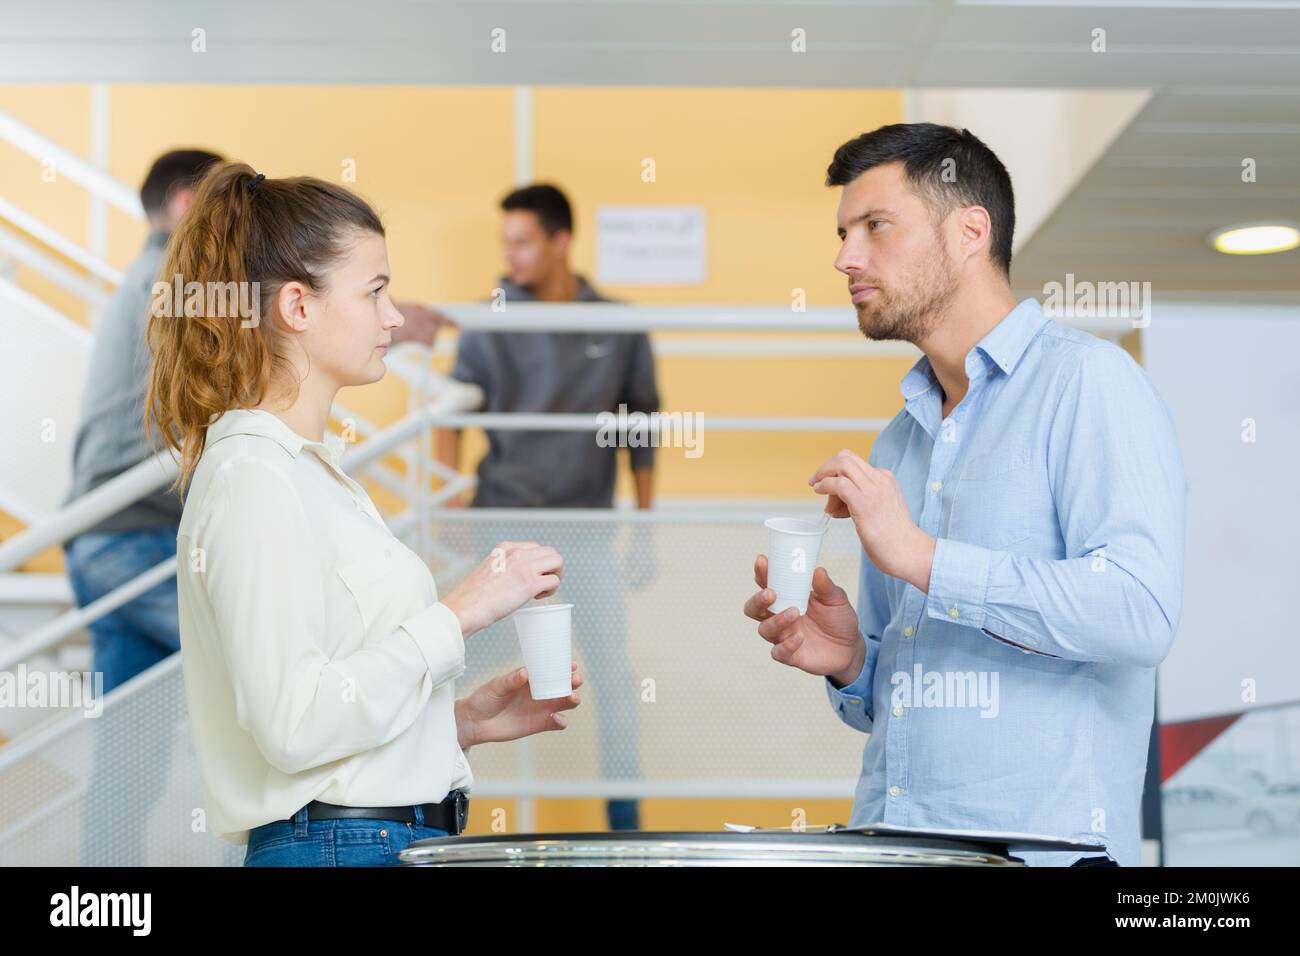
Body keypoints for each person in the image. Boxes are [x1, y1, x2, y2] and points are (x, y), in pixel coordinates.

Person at [743, 123, 1186, 867]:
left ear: (970, 231)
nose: (845, 257)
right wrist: (852, 659)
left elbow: (1140, 614)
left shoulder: (1088, 383)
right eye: (844, 233)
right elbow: (906, 706)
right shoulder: (900, 440)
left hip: (1046, 857)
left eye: (874, 227)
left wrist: (923, 557)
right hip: (897, 848)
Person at [145, 161, 581, 866]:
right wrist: (460, 612)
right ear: (298, 307)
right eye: (375, 291)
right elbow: (293, 725)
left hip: (368, 838)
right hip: (343, 845)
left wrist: (457, 723)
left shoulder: (305, 473)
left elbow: (329, 717)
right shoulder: (255, 476)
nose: (395, 317)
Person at [405, 184, 658, 831]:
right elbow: (453, 412)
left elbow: (642, 430)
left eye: (522, 241)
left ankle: (624, 822)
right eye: (505, 242)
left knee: (613, 676)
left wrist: (646, 530)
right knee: (451, 660)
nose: (510, 255)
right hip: (504, 525)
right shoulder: (490, 316)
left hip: (588, 530)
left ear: (560, 242)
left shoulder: (617, 321)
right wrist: (450, 494)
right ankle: (432, 802)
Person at [62, 148, 221, 867]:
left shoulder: (159, 279)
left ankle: (104, 903)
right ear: (190, 206)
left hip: (108, 541)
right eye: (228, 205)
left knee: (131, 757)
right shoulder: (173, 279)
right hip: (136, 540)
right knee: (258, 677)